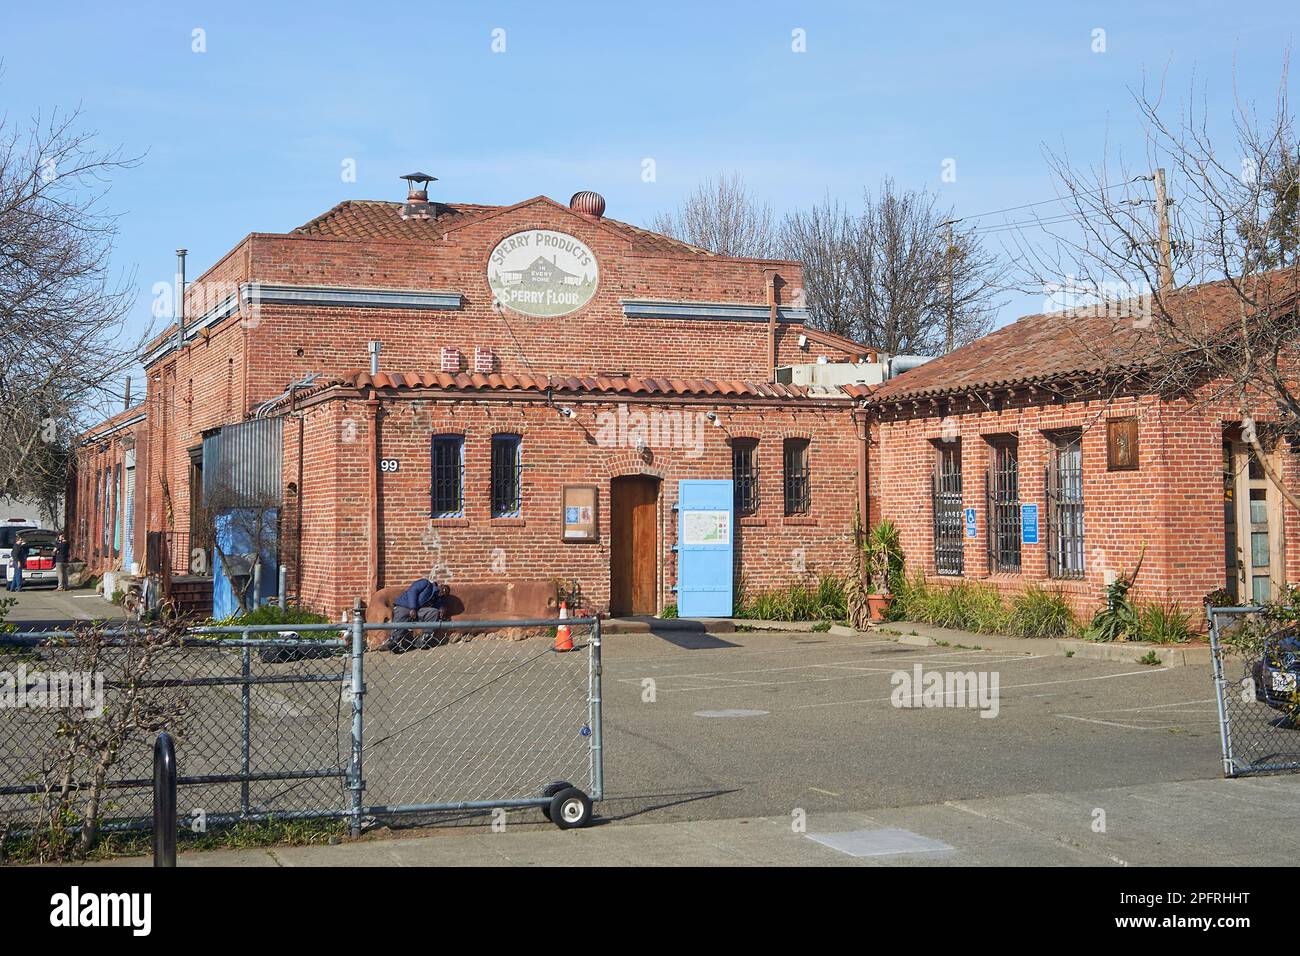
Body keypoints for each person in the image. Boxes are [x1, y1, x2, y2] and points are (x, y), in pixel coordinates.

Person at [388, 577, 451, 653]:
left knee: (434, 612)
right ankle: (395, 641)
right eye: (443, 590)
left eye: (445, 593)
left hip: (418, 611)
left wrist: (441, 608)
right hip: (405, 605)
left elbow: (438, 604)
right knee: (402, 614)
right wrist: (412, 607)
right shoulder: (425, 583)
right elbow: (412, 591)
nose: (443, 593)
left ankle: (423, 640)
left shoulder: (436, 598)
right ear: (440, 586)